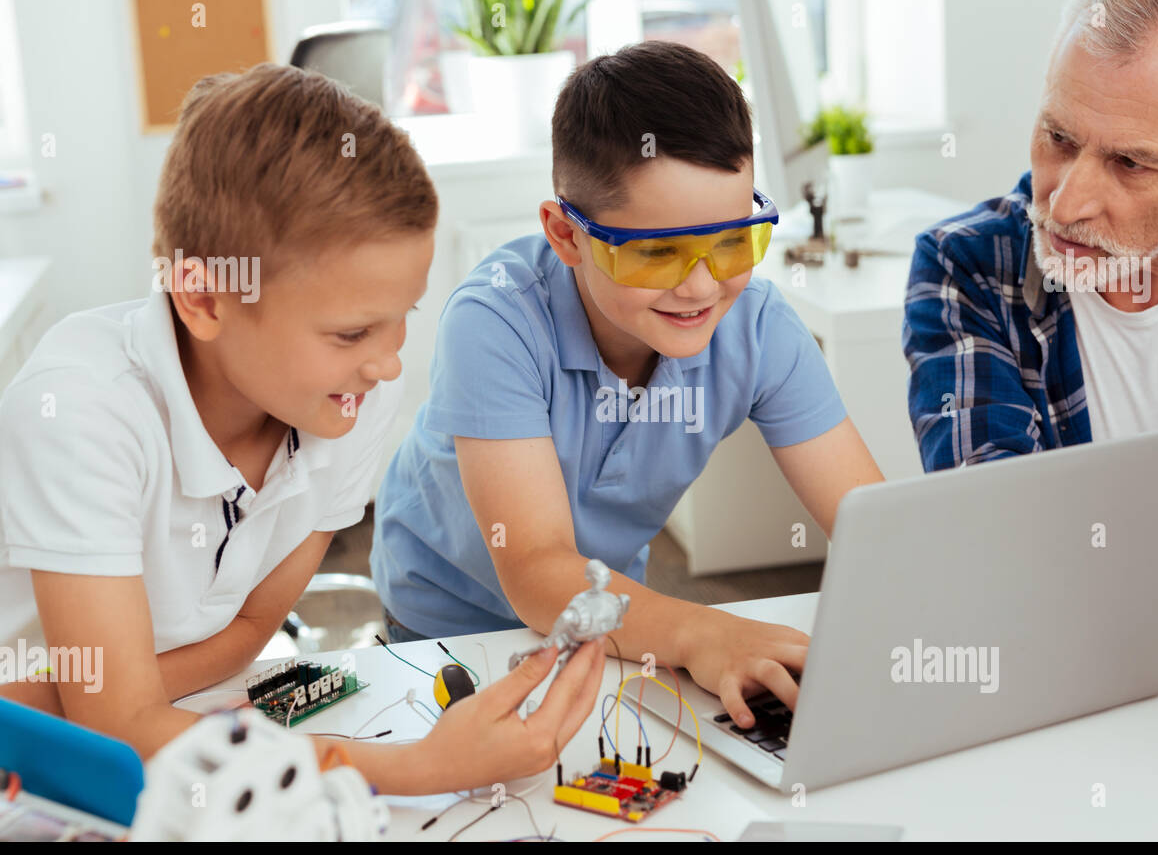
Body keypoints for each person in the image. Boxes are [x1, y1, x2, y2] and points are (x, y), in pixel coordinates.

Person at [0, 64, 604, 794]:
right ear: (202, 297)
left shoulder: (347, 397)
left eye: (401, 319)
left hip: (129, 722)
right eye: (351, 334)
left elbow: (248, 636)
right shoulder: (81, 409)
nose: (387, 366)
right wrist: (422, 766)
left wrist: (118, 703)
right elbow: (116, 733)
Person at [371, 41, 885, 729]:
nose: (701, 285)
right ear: (565, 234)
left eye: (733, 241)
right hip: (452, 623)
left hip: (612, 615)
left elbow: (875, 526)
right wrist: (706, 633)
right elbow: (536, 572)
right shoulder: (495, 317)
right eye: (657, 253)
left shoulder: (760, 329)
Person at [903, 0, 1158, 570]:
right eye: (1058, 137)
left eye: (1131, 162)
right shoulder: (968, 265)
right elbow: (992, 536)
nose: (1064, 207)